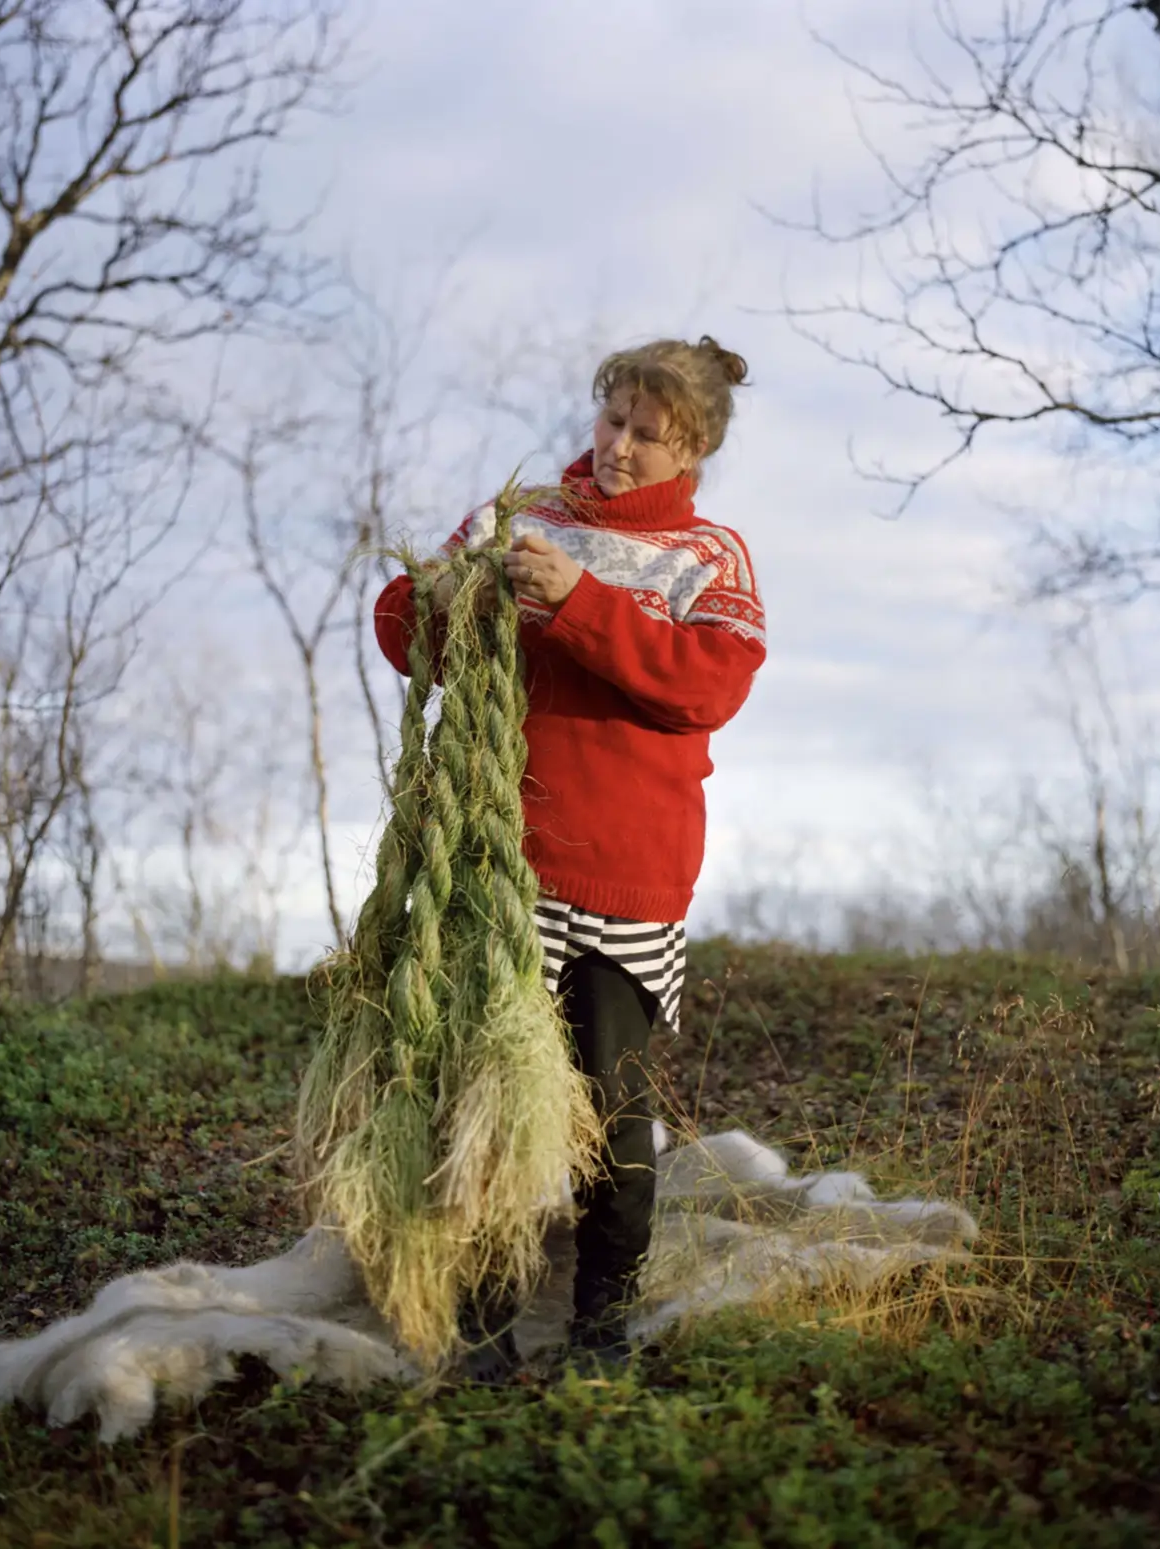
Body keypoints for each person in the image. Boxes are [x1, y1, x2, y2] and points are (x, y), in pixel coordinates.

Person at [373, 334, 766, 1380]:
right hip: (500, 869)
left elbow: (705, 685)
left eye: (649, 435)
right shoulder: (523, 516)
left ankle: (600, 1327)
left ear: (690, 453)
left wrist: (578, 607)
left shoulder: (708, 556)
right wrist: (446, 603)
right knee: (493, 1107)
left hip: (626, 873)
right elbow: (402, 618)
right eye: (612, 422)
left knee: (609, 1117)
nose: (621, 448)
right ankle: (487, 1329)